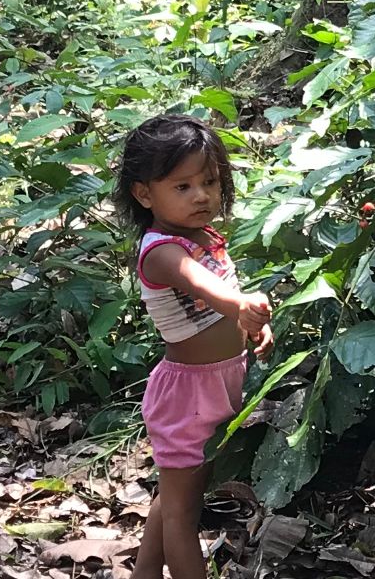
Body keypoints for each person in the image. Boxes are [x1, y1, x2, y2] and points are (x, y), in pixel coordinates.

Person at [117, 113, 275, 579]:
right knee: (184, 517)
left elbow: (223, 297)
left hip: (223, 380)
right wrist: (240, 306)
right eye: (181, 186)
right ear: (145, 194)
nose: (202, 195)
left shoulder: (204, 236)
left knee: (176, 497)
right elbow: (206, 288)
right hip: (188, 395)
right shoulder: (161, 250)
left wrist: (251, 327)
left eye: (209, 181)